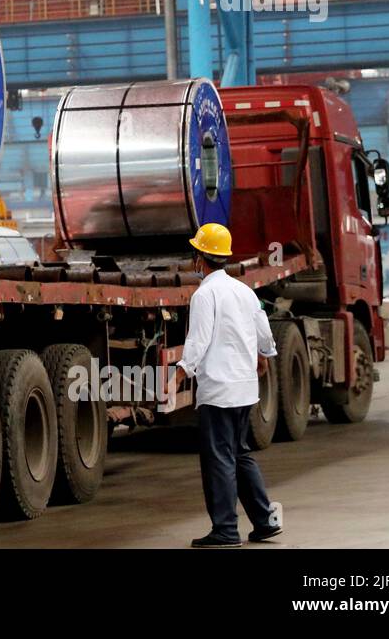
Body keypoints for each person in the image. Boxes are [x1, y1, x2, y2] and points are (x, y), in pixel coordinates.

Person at [167, 223, 282, 548]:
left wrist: (180, 372)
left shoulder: (205, 294)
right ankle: (264, 521)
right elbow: (263, 330)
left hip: (218, 390)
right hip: (245, 389)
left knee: (219, 458)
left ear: (199, 258)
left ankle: (226, 530)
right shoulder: (245, 291)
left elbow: (199, 339)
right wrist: (264, 356)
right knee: (241, 454)